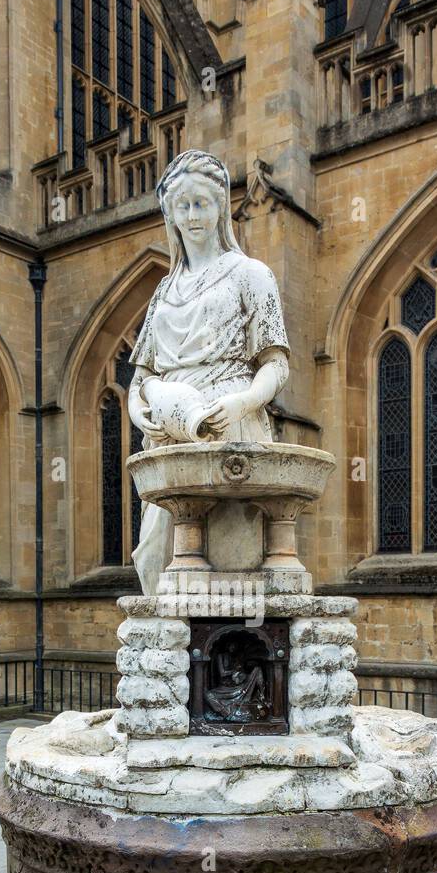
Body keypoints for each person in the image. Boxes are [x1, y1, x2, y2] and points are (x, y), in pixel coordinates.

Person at [128, 150, 290, 594]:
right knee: (157, 560)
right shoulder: (163, 290)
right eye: (183, 206)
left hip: (230, 418)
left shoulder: (251, 274)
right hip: (170, 430)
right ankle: (171, 661)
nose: (193, 215)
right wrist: (136, 410)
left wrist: (242, 401)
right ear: (170, 215)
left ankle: (232, 660)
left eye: (202, 203)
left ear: (221, 207)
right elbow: (140, 378)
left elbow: (276, 364)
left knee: (233, 567)